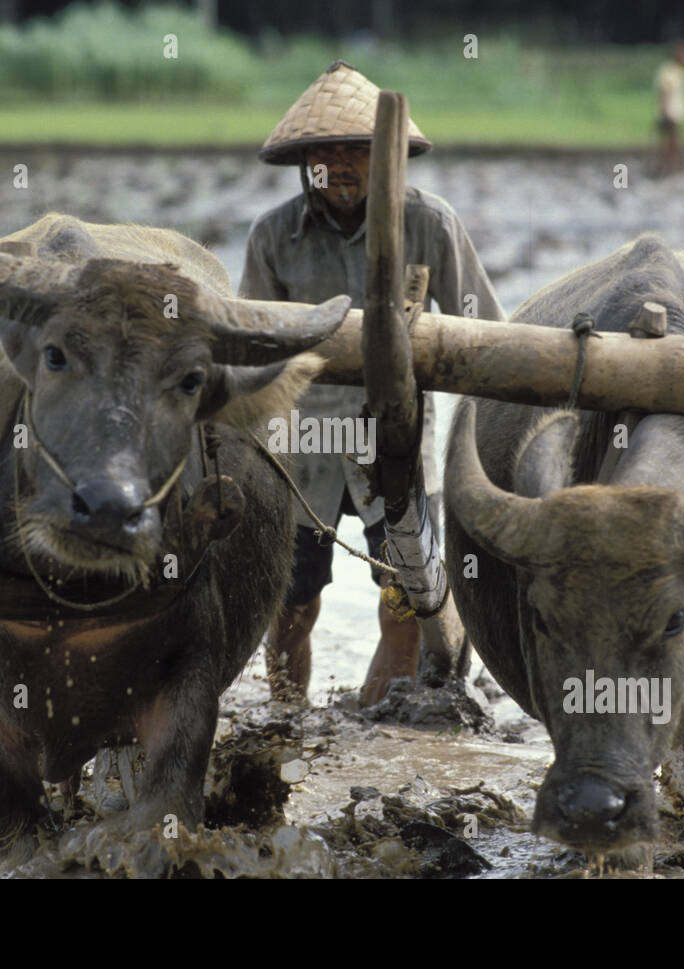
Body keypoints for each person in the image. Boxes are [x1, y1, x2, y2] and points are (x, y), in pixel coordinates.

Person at [239, 60, 505, 707]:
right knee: (293, 605)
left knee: (405, 601)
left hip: (397, 445)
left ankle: (371, 721)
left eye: (356, 149)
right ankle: (286, 716)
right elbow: (251, 356)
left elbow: (490, 335)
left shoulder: (431, 223)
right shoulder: (274, 236)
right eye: (324, 151)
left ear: (383, 155)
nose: (341, 164)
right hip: (304, 452)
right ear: (305, 162)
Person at [654, 40, 684, 176]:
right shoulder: (669, 71)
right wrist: (665, 112)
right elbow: (663, 92)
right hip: (669, 113)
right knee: (668, 144)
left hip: (676, 113)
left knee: (674, 145)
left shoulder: (680, 72)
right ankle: (665, 170)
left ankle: (672, 170)